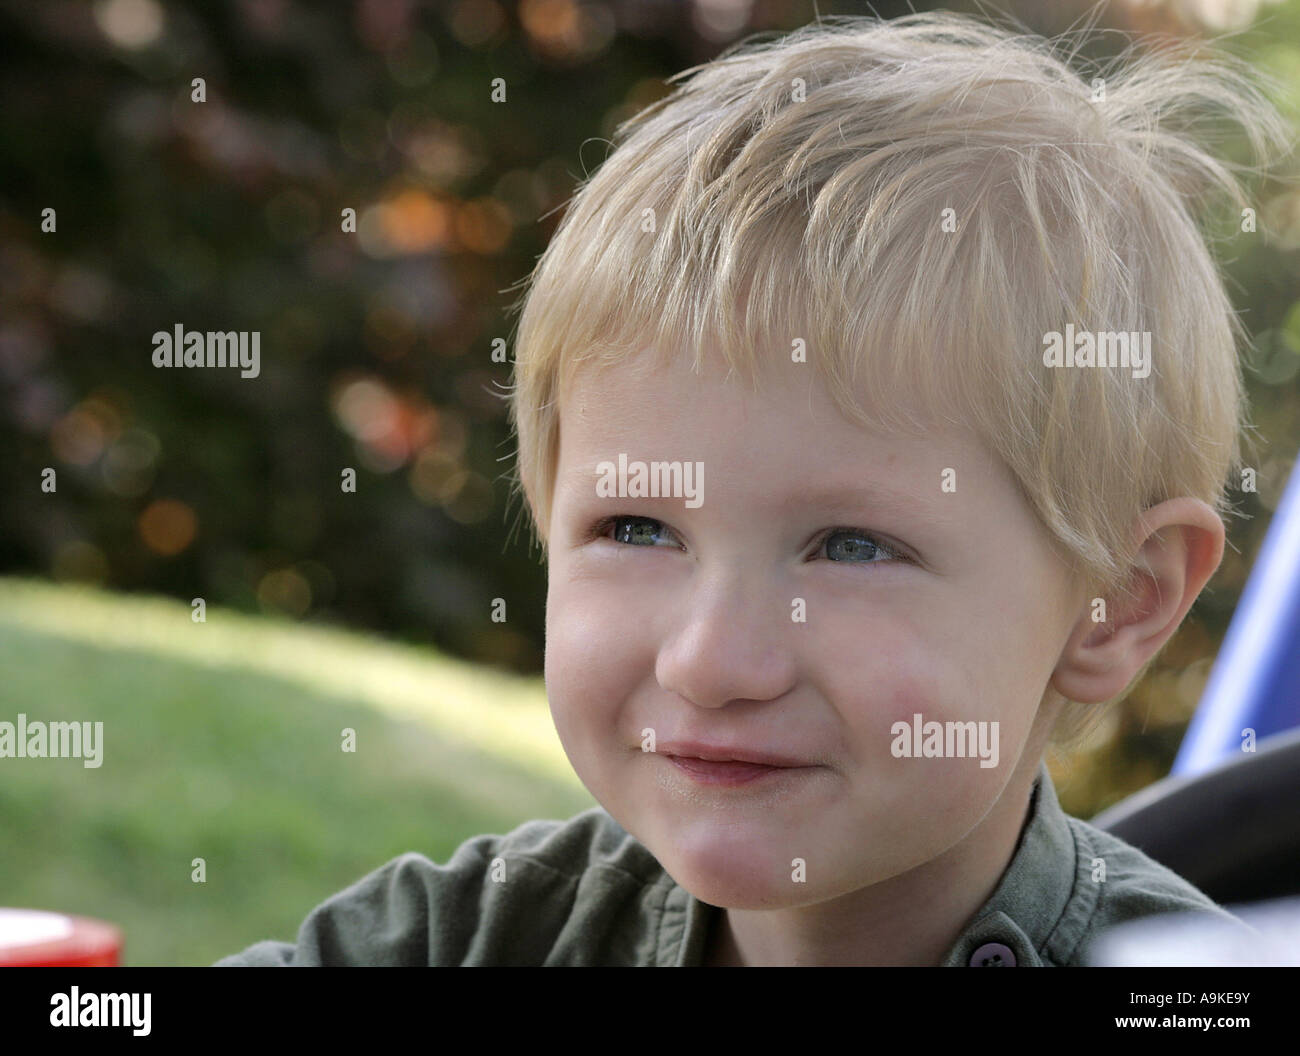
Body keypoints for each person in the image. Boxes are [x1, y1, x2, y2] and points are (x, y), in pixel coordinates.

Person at [216, 10, 1289, 966]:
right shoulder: (473, 932)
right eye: (637, 527)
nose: (712, 660)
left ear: (1118, 600)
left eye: (850, 547)